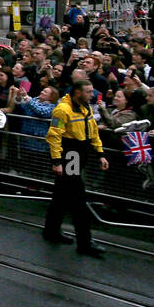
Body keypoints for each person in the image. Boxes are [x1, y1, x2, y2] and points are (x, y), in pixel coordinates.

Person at [43, 79, 109, 256]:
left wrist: (100, 153)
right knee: (78, 200)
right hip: (70, 156)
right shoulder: (62, 110)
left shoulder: (85, 108)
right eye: (88, 92)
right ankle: (84, 242)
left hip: (80, 153)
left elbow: (93, 131)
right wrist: (56, 161)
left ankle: (51, 231)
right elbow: (54, 136)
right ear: (78, 92)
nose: (92, 95)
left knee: (61, 196)